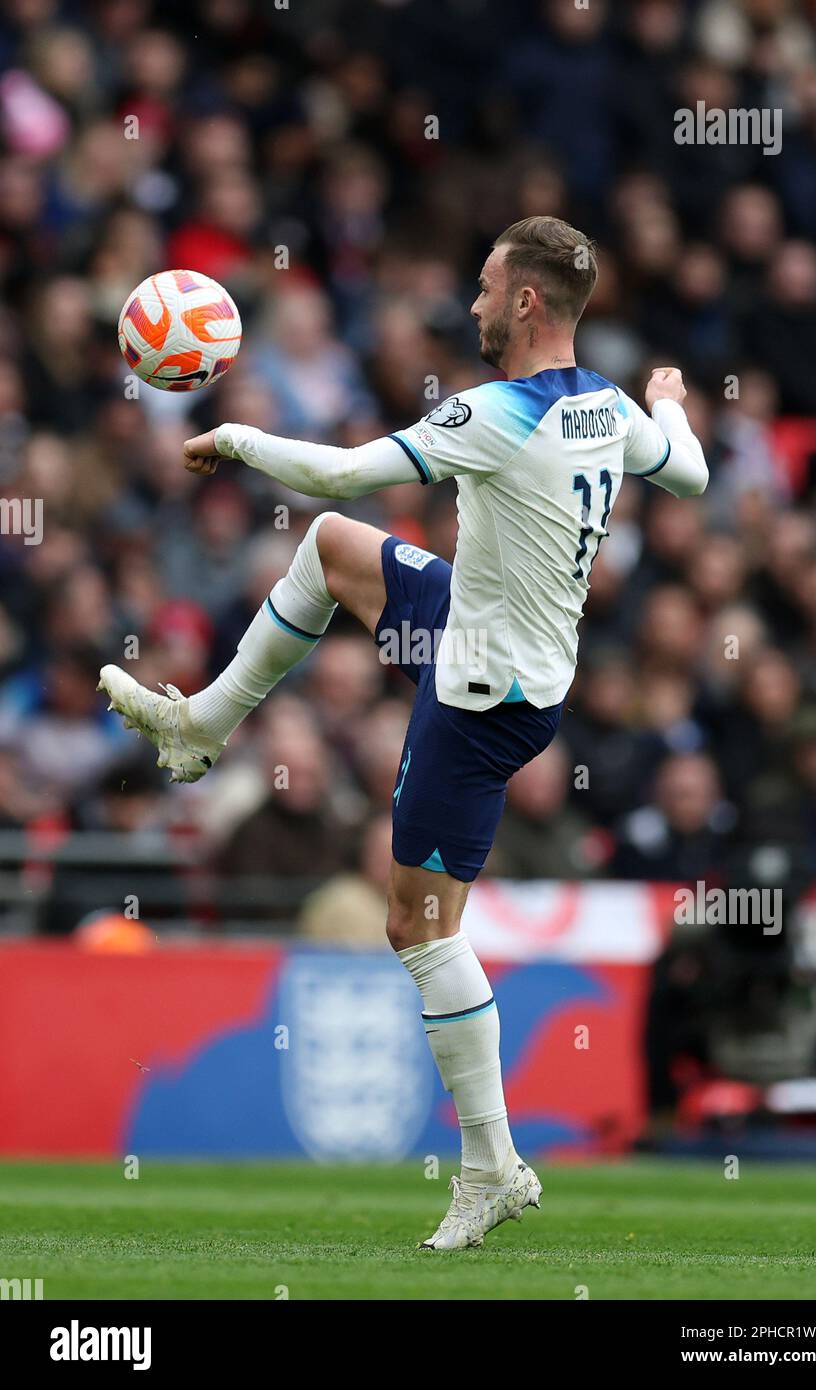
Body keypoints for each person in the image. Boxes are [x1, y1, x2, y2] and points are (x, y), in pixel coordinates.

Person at [98, 216, 708, 1250]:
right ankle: (201, 725)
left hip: (480, 701)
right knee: (334, 550)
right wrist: (669, 400)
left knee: (419, 929)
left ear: (526, 301)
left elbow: (342, 470)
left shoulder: (497, 412)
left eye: (486, 287)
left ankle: (492, 1165)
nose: (471, 304)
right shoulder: (608, 406)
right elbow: (687, 474)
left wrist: (236, 439)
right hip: (490, 636)